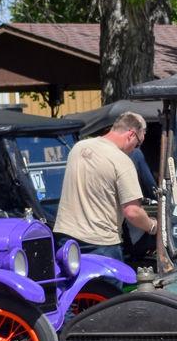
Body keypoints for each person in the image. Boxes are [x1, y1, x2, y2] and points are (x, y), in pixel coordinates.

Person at [53, 111, 158, 261]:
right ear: (131, 135)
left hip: (66, 239)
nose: (135, 149)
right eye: (138, 144)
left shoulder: (78, 148)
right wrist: (153, 226)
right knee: (105, 285)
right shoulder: (121, 161)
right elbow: (132, 212)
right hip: (101, 244)